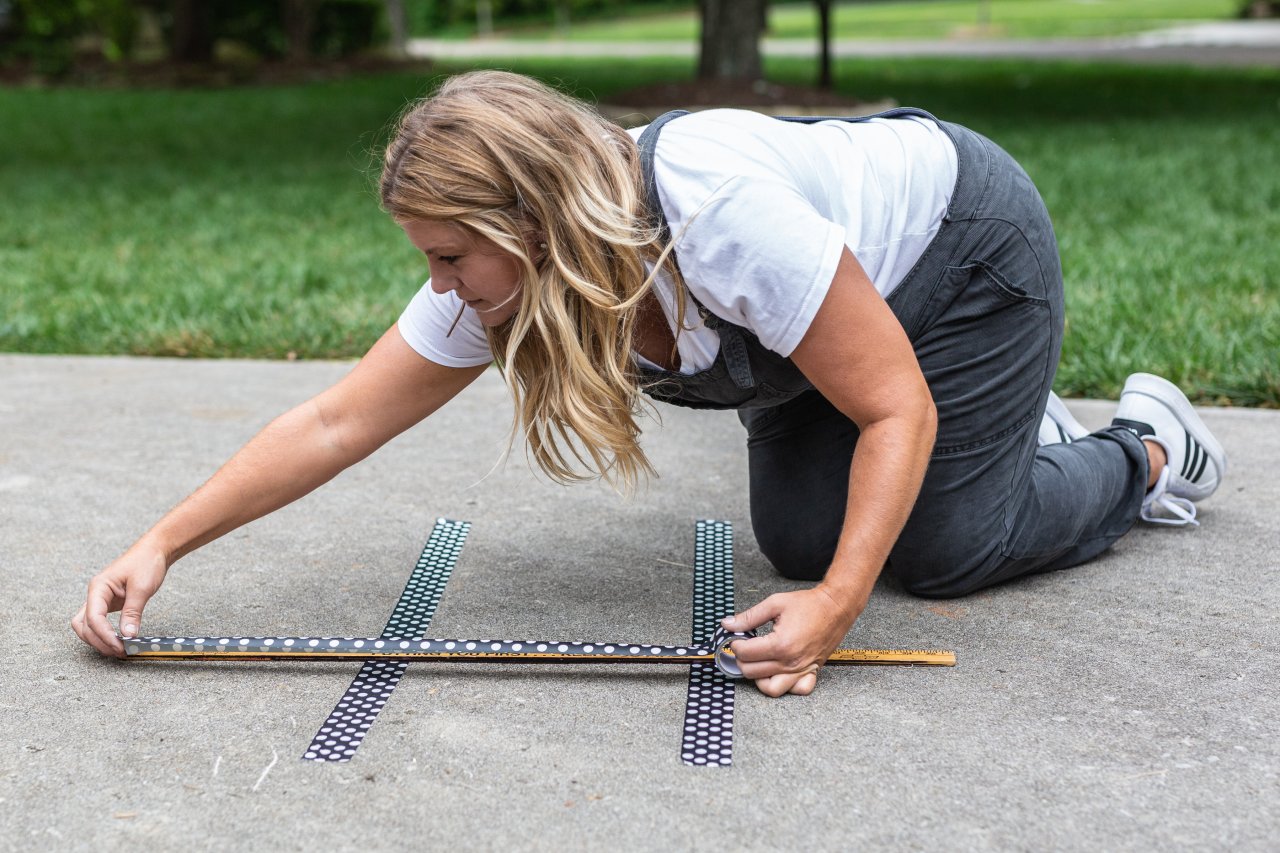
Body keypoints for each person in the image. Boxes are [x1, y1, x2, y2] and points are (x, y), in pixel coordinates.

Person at [72, 71, 1226, 697]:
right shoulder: (513, 274)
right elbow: (333, 423)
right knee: (802, 538)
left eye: (447, 255)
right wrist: (162, 543)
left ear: (528, 219)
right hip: (832, 314)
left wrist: (833, 618)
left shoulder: (713, 213)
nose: (439, 286)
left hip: (958, 256)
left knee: (935, 553)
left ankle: (1145, 450)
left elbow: (892, 406)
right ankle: (1009, 426)